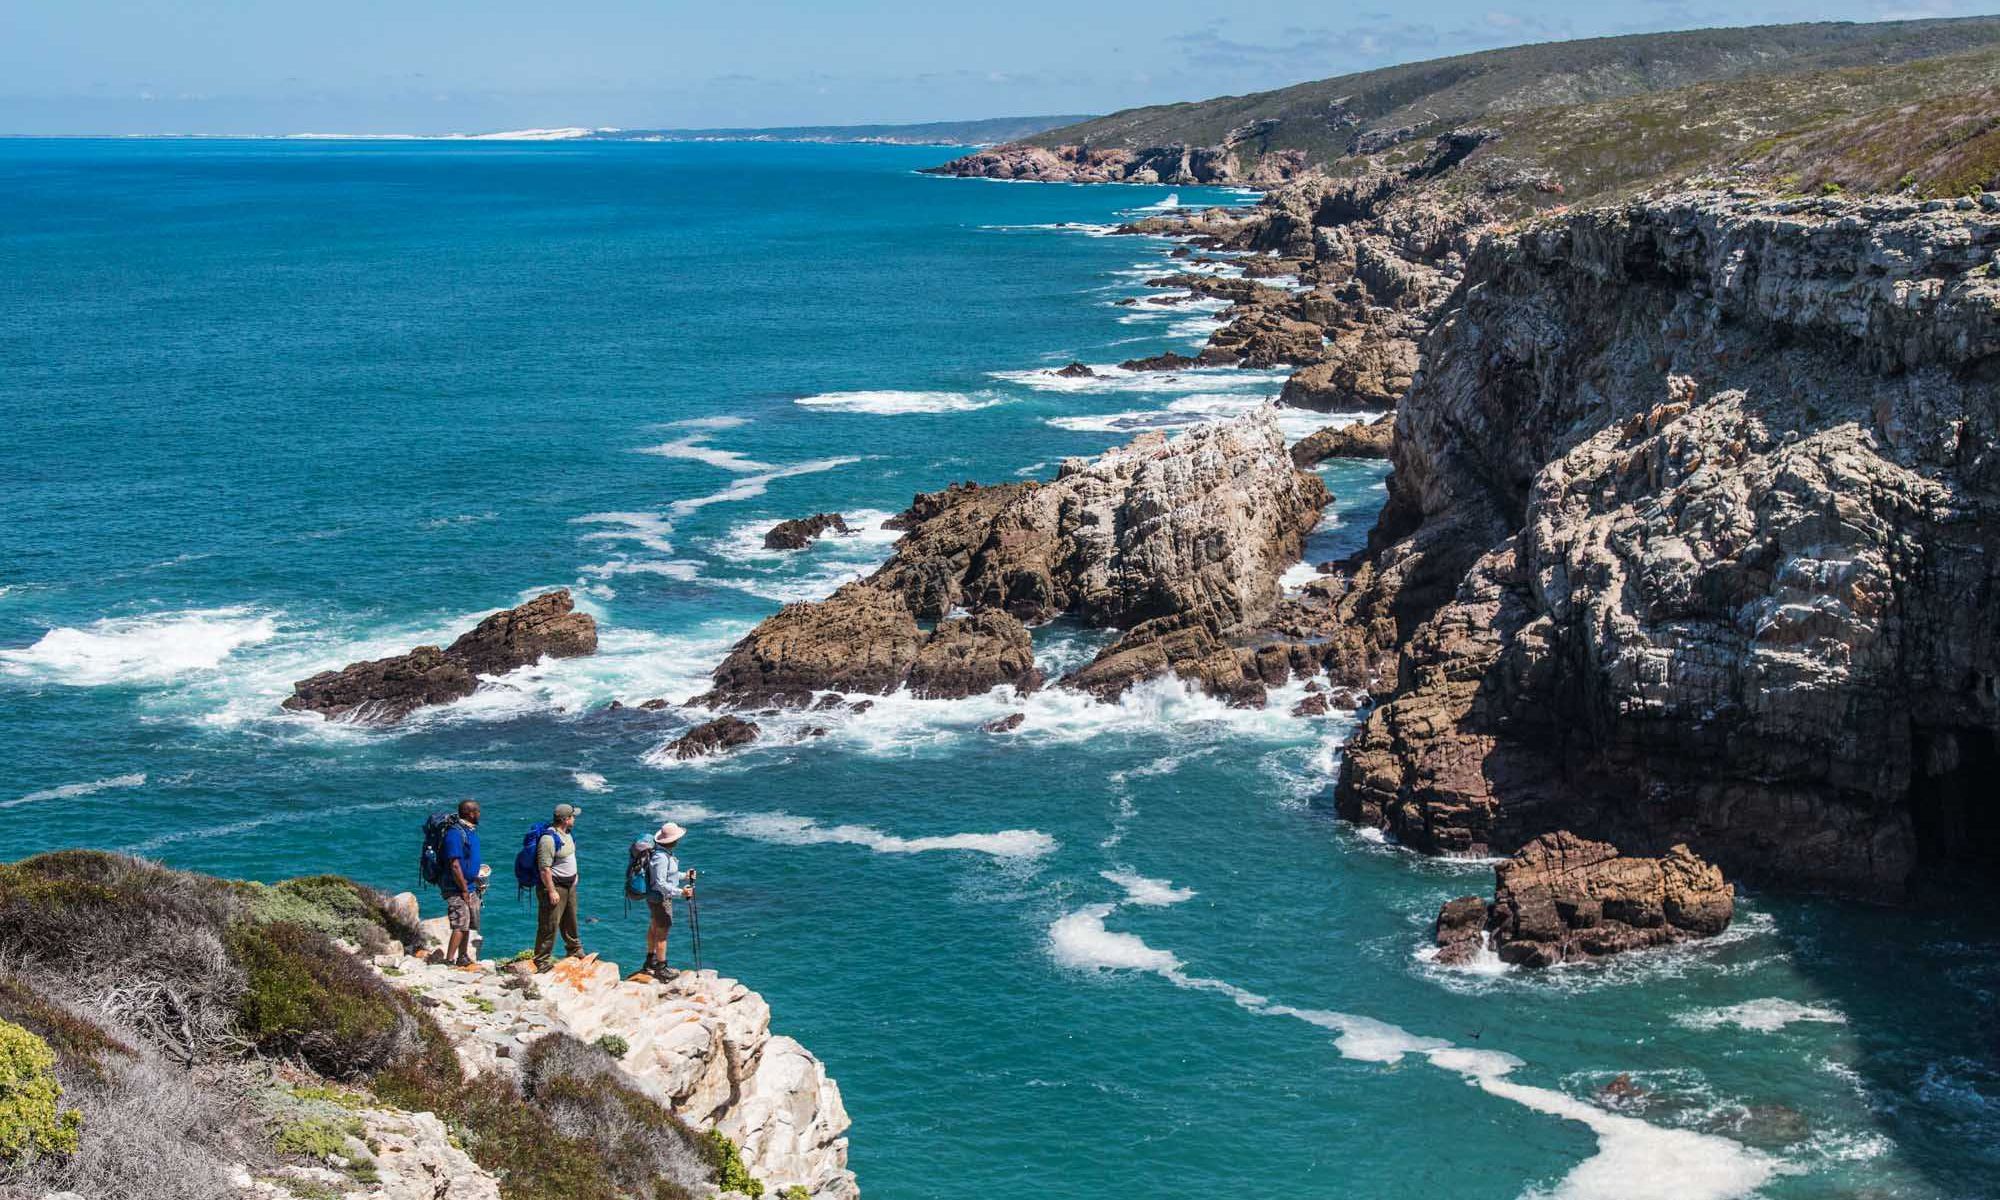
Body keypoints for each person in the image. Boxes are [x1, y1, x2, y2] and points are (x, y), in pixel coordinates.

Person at [638, 822, 695, 981]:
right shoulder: (661, 857)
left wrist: (685, 876)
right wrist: (681, 892)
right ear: (673, 840)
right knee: (662, 934)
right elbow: (660, 883)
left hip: (655, 898)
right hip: (660, 899)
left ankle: (650, 961)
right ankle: (661, 968)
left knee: (654, 927)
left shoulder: (662, 853)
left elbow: (668, 876)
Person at [533, 802, 585, 971]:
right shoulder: (548, 839)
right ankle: (541, 959)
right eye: (572, 816)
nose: (574, 819)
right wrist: (551, 891)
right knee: (550, 924)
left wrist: (574, 875)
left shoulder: (567, 834)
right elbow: (544, 868)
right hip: (555, 887)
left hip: (569, 885)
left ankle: (574, 950)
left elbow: (568, 858)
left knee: (571, 919)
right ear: (565, 819)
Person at [439, 798, 482, 968]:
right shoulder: (455, 834)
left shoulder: (469, 831)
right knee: (459, 923)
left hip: (470, 886)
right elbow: (455, 864)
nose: (479, 814)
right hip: (456, 888)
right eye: (477, 811)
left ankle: (463, 956)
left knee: (467, 924)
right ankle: (449, 960)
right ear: (470, 813)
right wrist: (464, 888)